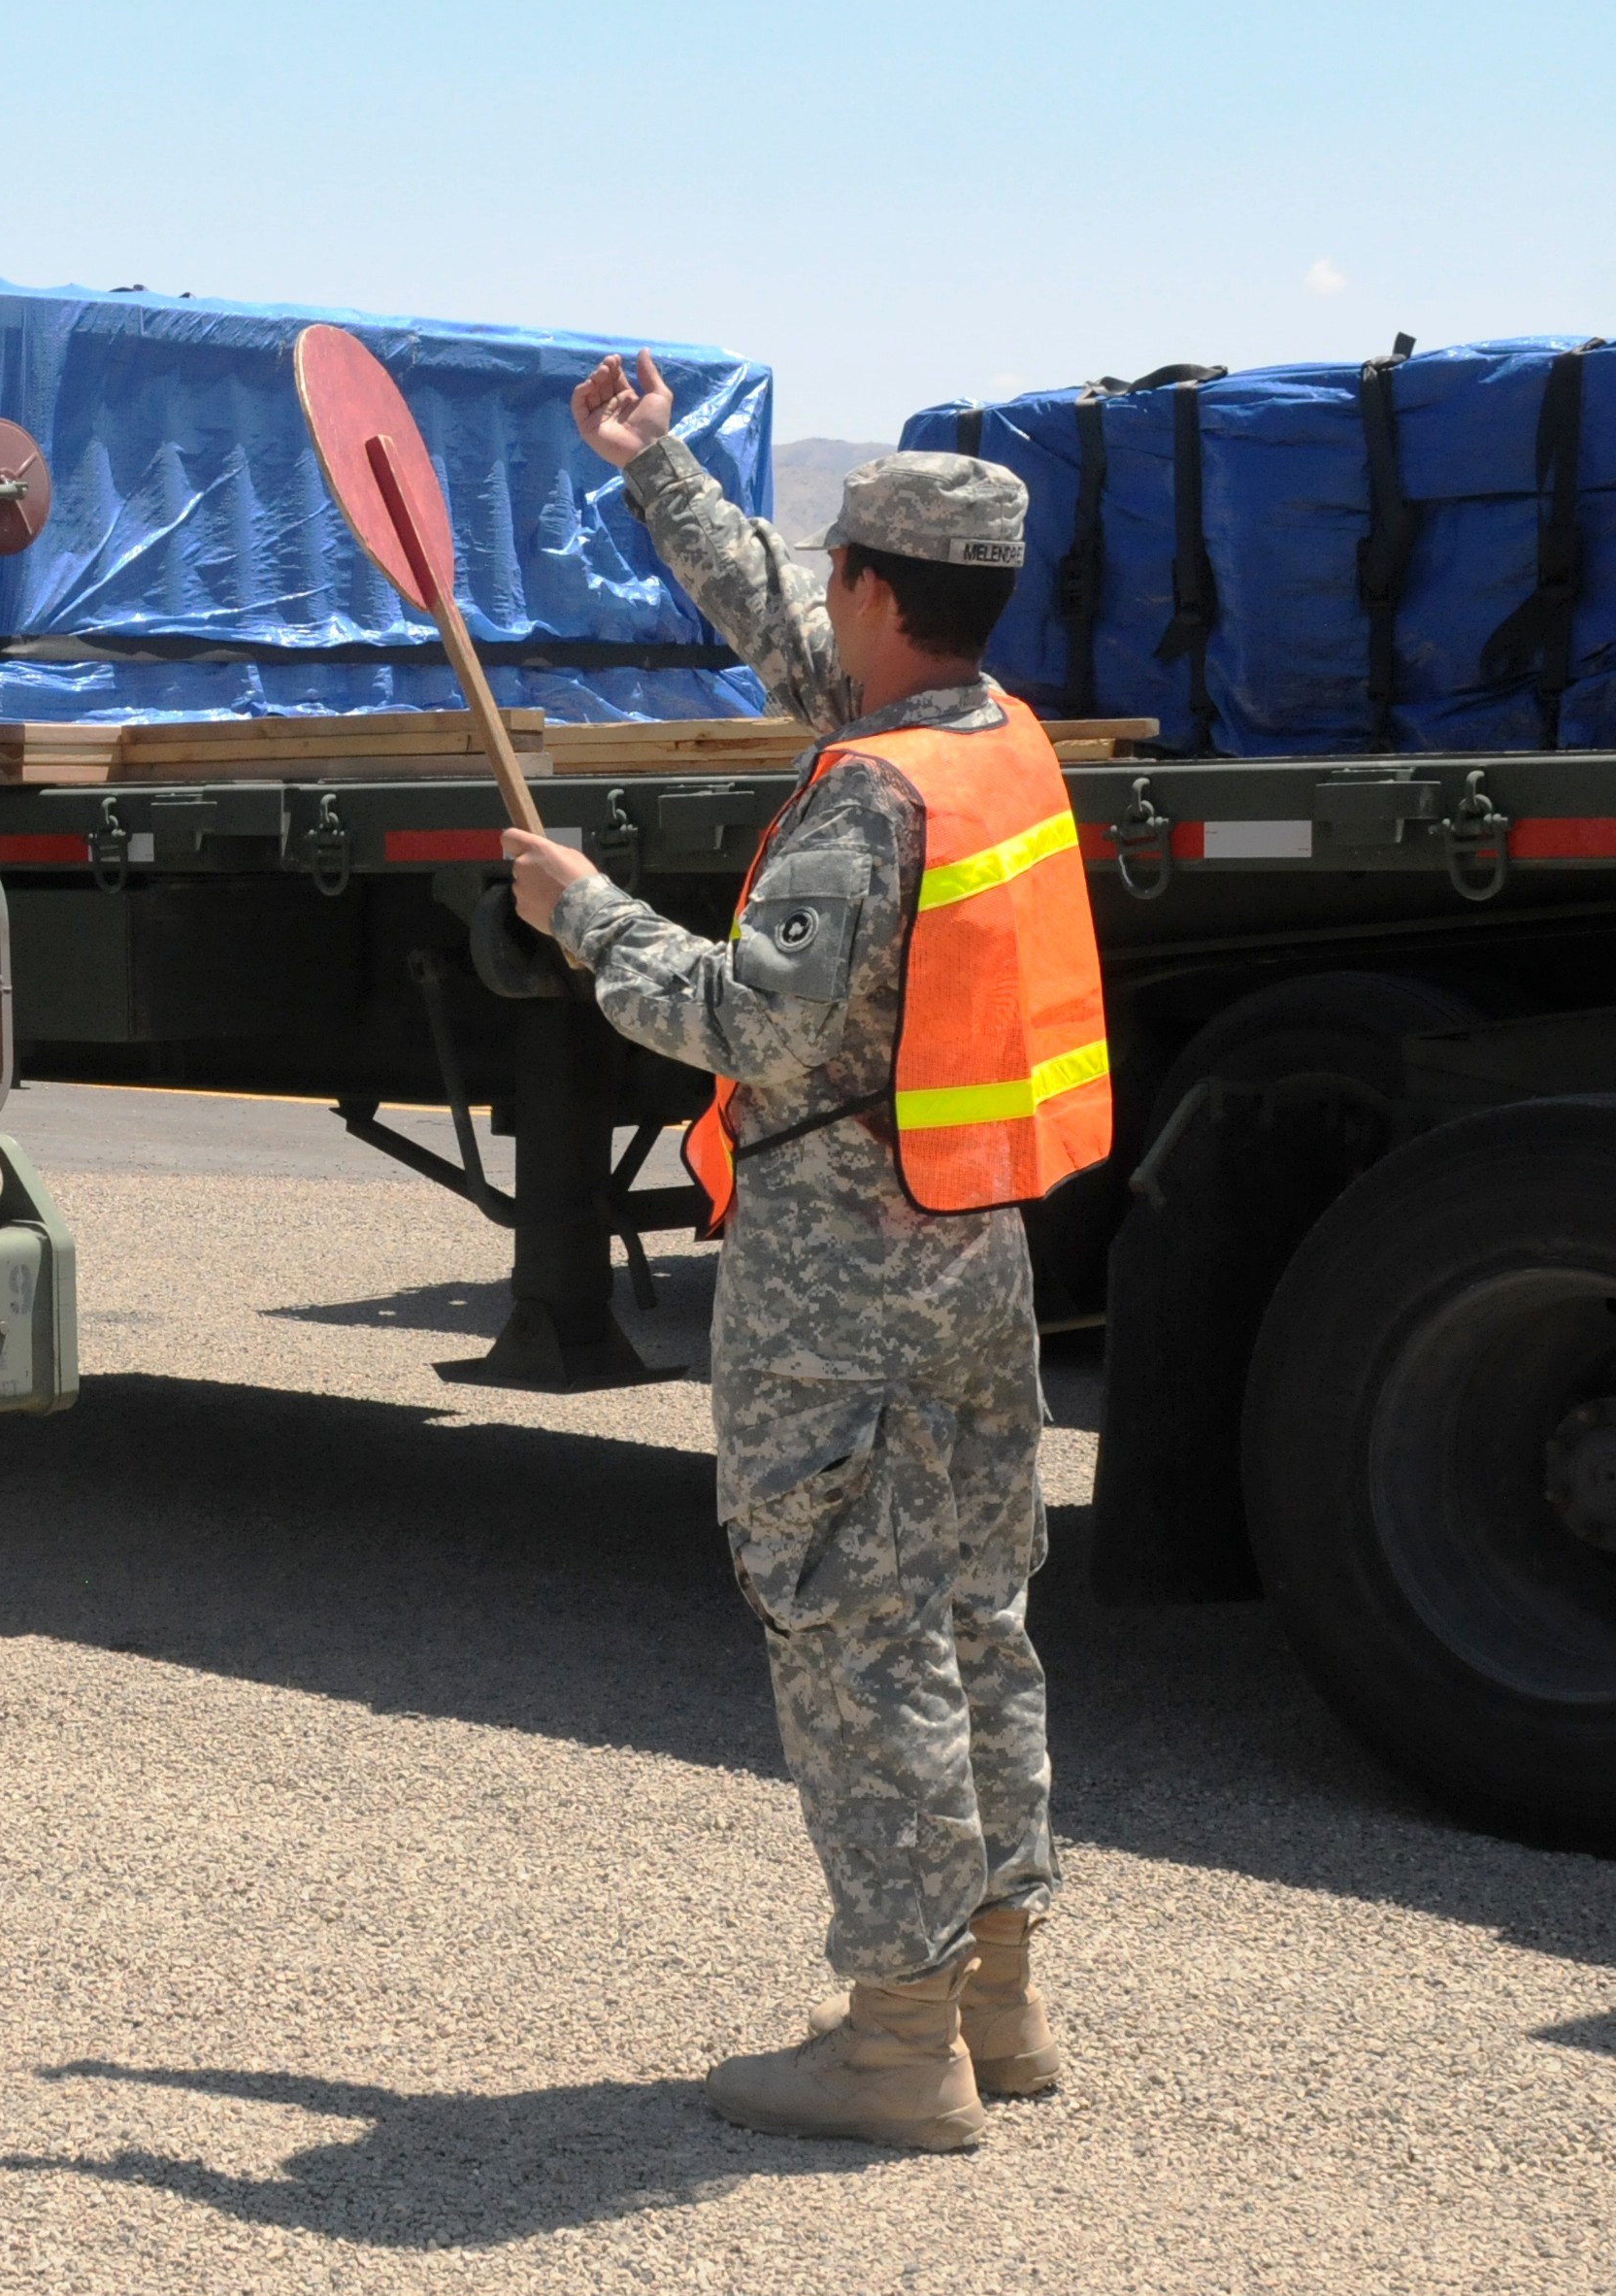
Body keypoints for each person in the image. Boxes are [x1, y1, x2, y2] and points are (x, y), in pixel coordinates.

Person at [505, 352, 1111, 2153]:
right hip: (969, 1249)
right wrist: (656, 468)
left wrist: (585, 915)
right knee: (973, 1615)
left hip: (839, 1279)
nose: (814, 599)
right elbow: (782, 628)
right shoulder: (990, 741)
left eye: (829, 572)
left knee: (856, 1633)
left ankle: (894, 2047)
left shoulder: (867, 794)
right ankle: (997, 1999)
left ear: (869, 586)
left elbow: (746, 1023)